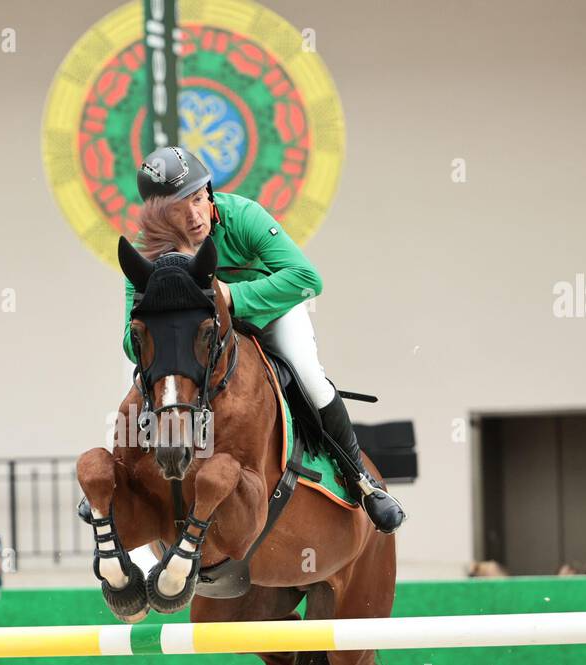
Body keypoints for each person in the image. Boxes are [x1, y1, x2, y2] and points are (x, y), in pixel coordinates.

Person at [121, 145, 406, 535]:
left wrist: (234, 298)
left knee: (308, 376)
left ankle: (360, 478)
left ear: (209, 193)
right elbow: (128, 337)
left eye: (198, 199)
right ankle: (120, 475)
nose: (194, 215)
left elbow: (308, 278)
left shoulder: (243, 217)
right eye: (177, 208)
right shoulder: (147, 250)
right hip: (199, 340)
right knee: (142, 380)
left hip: (267, 312)